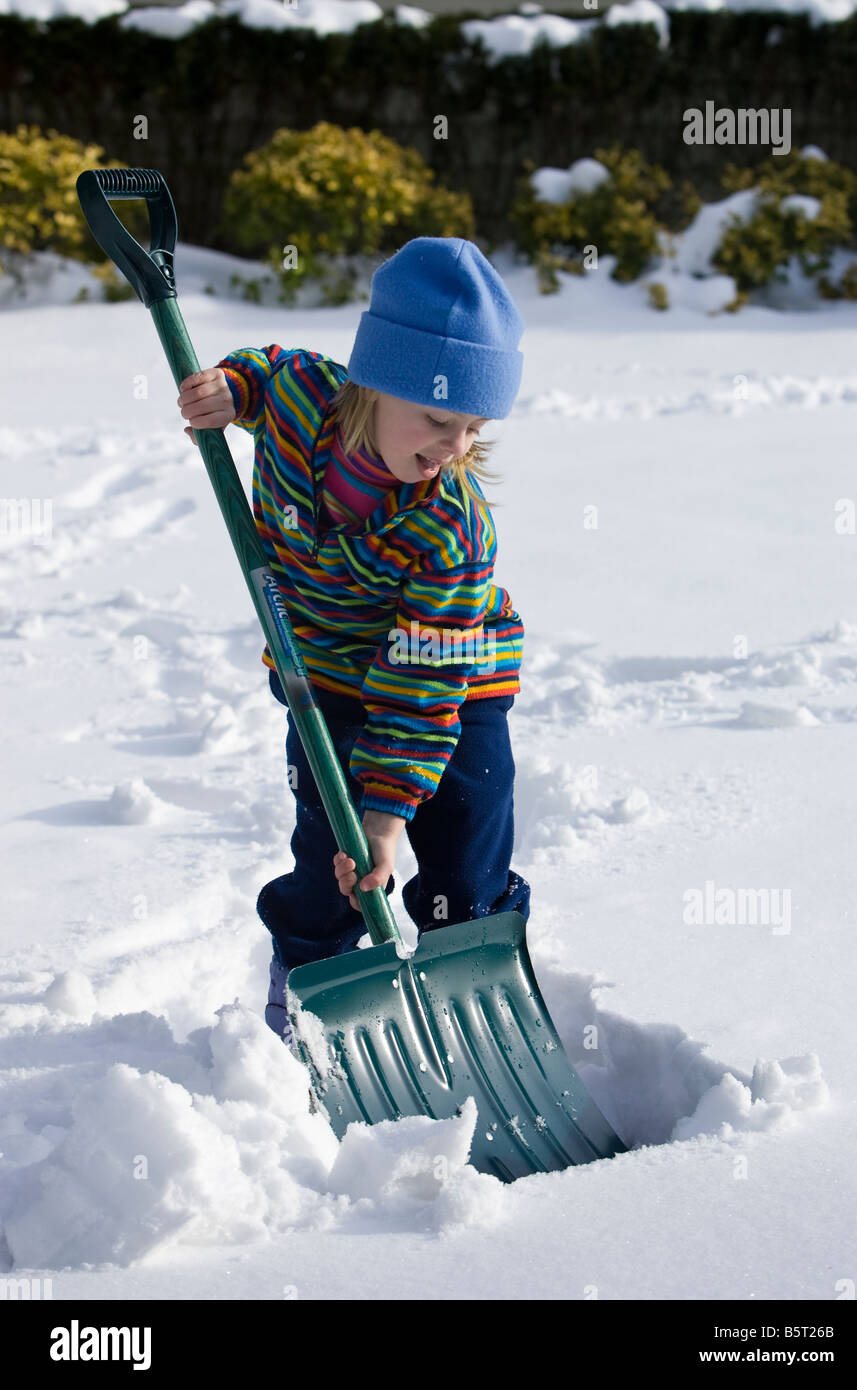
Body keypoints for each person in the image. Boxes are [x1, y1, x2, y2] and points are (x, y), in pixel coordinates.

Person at [177, 237, 530, 1038]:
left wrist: (389, 811)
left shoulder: (451, 527)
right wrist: (230, 390)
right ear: (370, 383)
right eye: (440, 417)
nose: (455, 445)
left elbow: (424, 679)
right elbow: (263, 371)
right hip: (322, 676)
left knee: (465, 831)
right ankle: (313, 986)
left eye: (475, 426)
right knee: (330, 855)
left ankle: (472, 982)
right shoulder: (305, 398)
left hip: (452, 681)